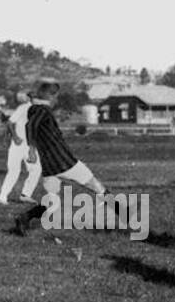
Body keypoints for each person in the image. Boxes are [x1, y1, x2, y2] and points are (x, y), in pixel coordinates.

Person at [13, 79, 108, 235]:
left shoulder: (35, 109)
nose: (57, 99)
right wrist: (30, 149)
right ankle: (131, 220)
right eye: (56, 96)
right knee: (100, 189)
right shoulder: (43, 110)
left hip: (49, 167)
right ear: (51, 96)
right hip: (65, 163)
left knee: (53, 203)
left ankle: (24, 218)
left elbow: (33, 125)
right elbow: (29, 126)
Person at [0, 92, 41, 204]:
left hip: (30, 145)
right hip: (17, 145)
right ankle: (2, 197)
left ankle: (25, 195)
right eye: (35, 98)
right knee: (14, 171)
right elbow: (10, 122)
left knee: (36, 169)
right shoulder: (23, 108)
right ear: (30, 98)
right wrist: (15, 137)